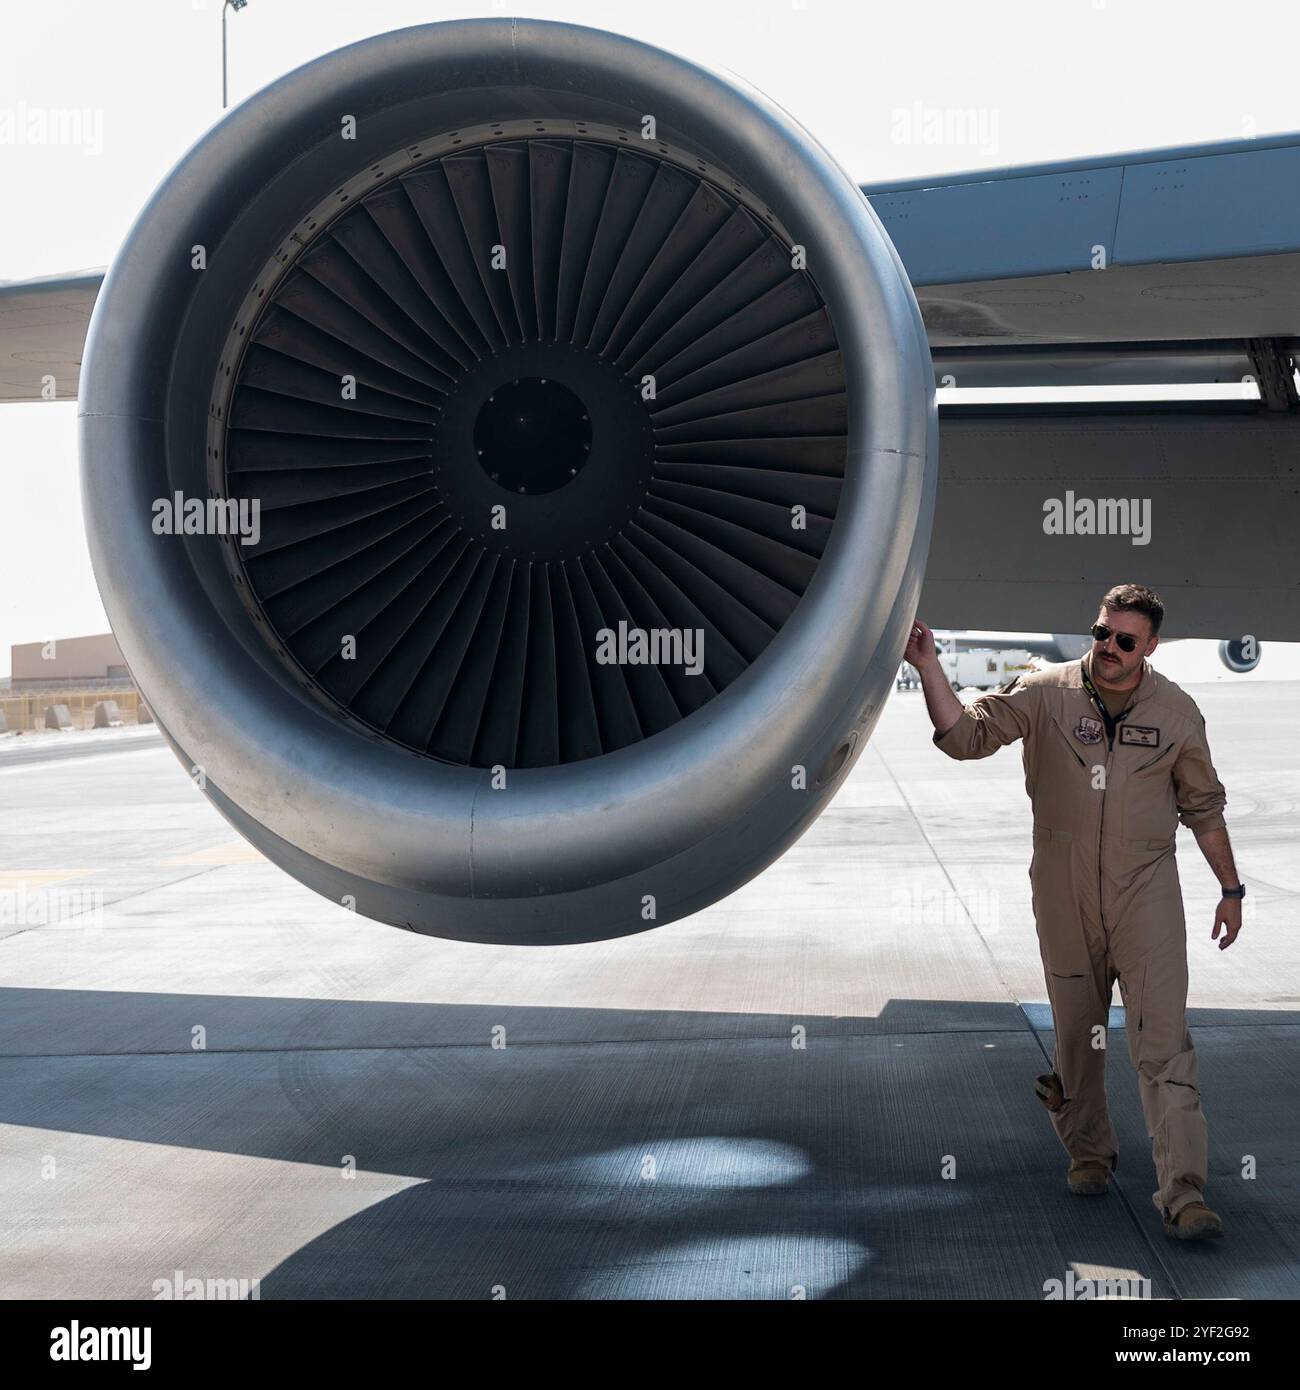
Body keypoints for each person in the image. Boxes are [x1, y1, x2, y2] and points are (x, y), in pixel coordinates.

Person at [905, 584, 1242, 1241]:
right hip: (1063, 892)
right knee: (1078, 1035)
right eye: (1100, 633)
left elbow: (1204, 808)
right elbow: (964, 737)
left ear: (1149, 647)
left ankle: (1184, 1194)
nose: (1106, 649)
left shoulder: (1176, 712)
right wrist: (928, 667)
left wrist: (1231, 890)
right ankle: (1089, 1150)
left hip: (1146, 892)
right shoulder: (1045, 691)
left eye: (1123, 641)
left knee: (1163, 1041)